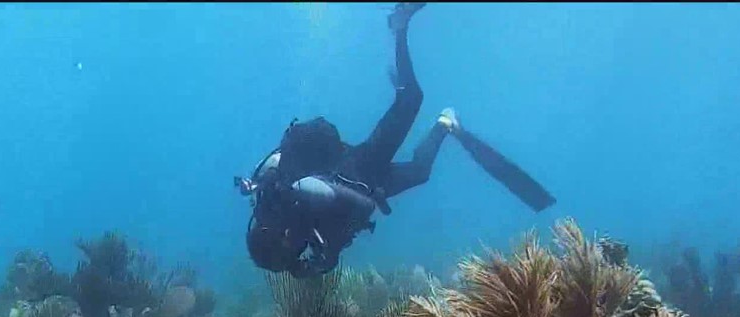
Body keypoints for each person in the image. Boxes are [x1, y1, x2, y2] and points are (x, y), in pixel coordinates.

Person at [236, 2, 557, 278]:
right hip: (366, 182)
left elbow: (362, 205)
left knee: (411, 99)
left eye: (289, 254)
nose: (295, 256)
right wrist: (316, 263)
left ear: (281, 235)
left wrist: (329, 254)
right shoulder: (282, 217)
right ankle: (444, 125)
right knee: (422, 172)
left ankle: (399, 26)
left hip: (362, 168)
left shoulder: (300, 192)